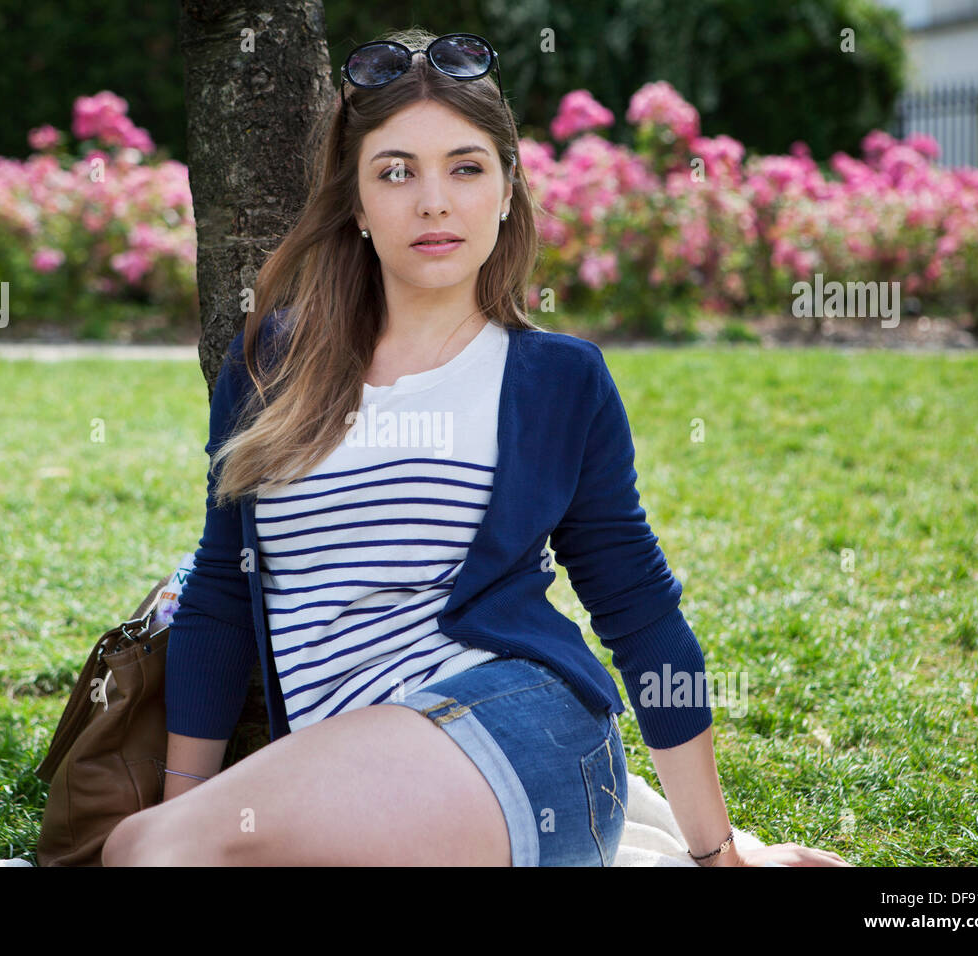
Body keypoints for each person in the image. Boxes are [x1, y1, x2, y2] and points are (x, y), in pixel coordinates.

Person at [103, 27, 849, 867]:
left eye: (465, 168)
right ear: (354, 201)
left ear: (504, 192)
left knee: (151, 852)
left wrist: (719, 854)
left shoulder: (556, 380)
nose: (433, 203)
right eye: (396, 172)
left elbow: (640, 613)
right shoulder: (270, 368)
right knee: (143, 846)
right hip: (350, 771)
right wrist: (190, 808)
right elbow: (221, 599)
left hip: (522, 729)